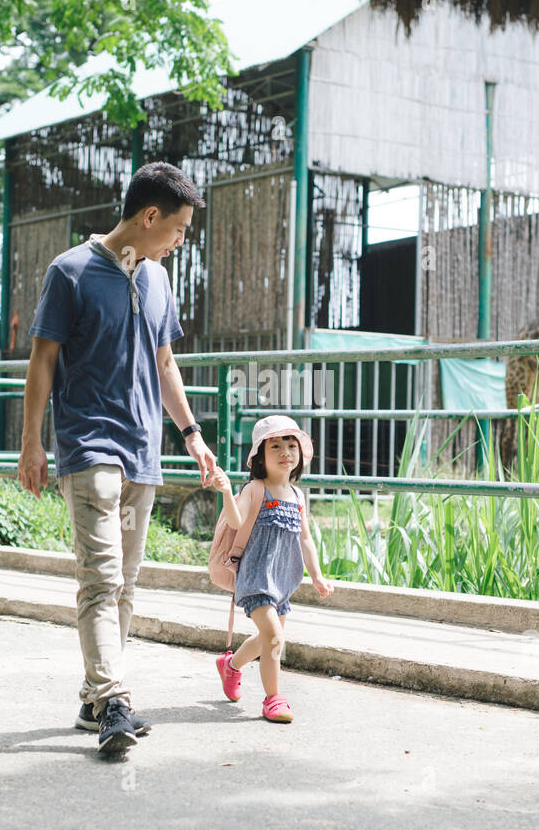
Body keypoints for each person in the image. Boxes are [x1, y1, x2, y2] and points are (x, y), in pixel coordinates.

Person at [17, 161, 218, 754]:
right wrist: (32, 442)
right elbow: (43, 360)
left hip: (142, 451)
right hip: (89, 447)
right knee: (101, 578)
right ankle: (114, 703)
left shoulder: (156, 279)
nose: (180, 241)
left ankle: (93, 697)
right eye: (178, 229)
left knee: (125, 583)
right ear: (149, 216)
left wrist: (192, 434)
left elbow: (164, 364)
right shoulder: (71, 272)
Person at [210, 414, 333, 723]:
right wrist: (226, 492)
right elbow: (237, 522)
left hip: (282, 579)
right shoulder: (255, 488)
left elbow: (305, 539)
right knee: (275, 638)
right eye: (275, 445)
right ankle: (273, 700)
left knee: (268, 638)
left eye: (291, 445)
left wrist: (316, 575)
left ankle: (231, 666)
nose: (284, 452)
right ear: (260, 456)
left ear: (300, 455)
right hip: (255, 577)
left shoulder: (297, 495)